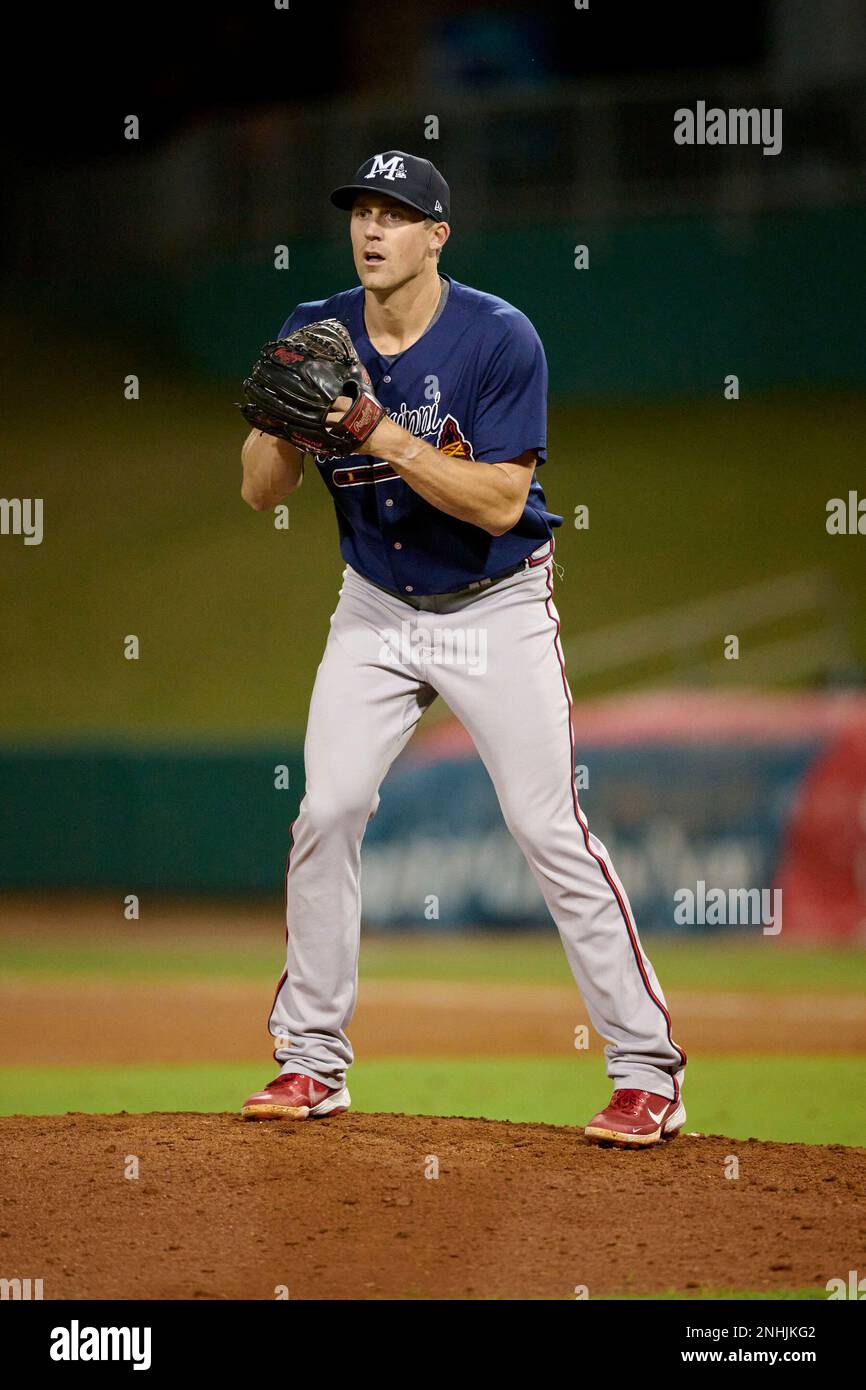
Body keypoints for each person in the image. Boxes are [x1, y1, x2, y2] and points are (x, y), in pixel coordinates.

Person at [239, 151, 687, 1146]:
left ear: (436, 236)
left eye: (394, 214)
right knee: (328, 808)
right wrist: (283, 421)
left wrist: (376, 430)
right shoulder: (315, 330)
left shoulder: (497, 337)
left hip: (495, 605)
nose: (370, 228)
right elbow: (257, 492)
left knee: (546, 829)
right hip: (374, 606)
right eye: (359, 209)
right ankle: (310, 1059)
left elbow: (497, 499)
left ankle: (646, 1071)